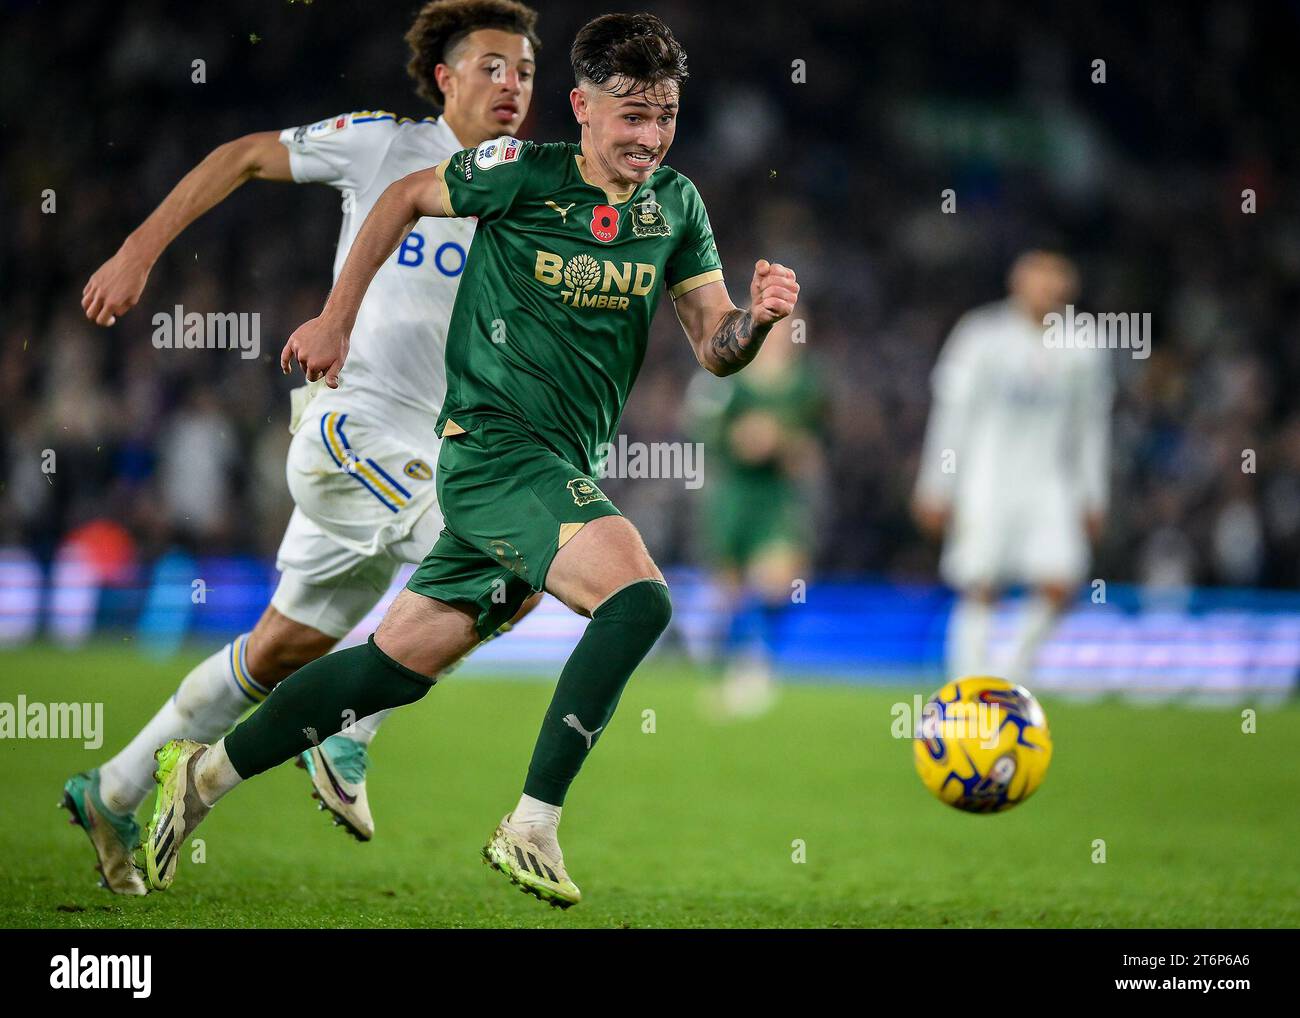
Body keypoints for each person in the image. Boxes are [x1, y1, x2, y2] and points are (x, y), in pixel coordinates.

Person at [141, 12, 800, 909]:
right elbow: (402, 197)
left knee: (390, 667)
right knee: (638, 596)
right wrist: (336, 317)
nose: (650, 136)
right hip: (492, 451)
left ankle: (202, 775)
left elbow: (713, 345)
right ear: (582, 107)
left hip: (560, 462)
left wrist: (756, 322)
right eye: (631, 116)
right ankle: (532, 822)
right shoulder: (518, 175)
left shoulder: (676, 207)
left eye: (666, 117)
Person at [65, 0, 542, 895]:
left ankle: (117, 785)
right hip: (352, 427)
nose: (512, 84)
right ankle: (349, 733)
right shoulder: (385, 144)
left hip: (424, 456)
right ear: (445, 77)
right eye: (491, 65)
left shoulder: (529, 189)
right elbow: (240, 154)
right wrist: (137, 252)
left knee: (279, 650)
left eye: (524, 70)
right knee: (514, 559)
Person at [913, 250, 1112, 686]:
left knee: (1062, 580)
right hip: (985, 478)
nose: (1046, 286)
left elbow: (1092, 428)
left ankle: (1011, 672)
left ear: (1068, 285)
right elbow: (951, 414)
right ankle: (967, 684)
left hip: (1051, 481)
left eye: (1055, 276)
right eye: (1037, 276)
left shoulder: (1084, 345)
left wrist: (1093, 495)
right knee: (980, 582)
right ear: (1016, 281)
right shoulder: (980, 335)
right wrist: (936, 484)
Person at [685, 318, 828, 717]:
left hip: (777, 497)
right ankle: (727, 673)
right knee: (727, 592)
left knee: (777, 582)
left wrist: (783, 443)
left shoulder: (808, 383)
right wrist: (739, 438)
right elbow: (702, 428)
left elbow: (819, 443)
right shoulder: (727, 372)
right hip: (733, 494)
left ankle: (757, 667)